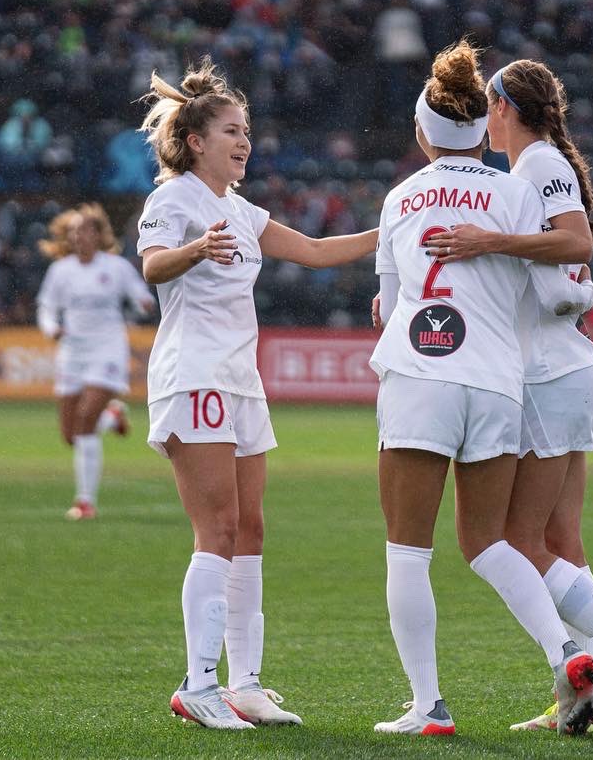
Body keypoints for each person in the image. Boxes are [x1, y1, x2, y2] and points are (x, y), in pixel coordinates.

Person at [424, 58, 593, 734]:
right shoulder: (538, 167)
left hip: (543, 376)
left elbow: (573, 239)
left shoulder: (535, 167)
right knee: (560, 538)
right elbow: (566, 266)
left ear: (503, 106)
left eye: (489, 104)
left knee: (514, 538)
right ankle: (582, 693)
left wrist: (486, 241)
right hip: (567, 368)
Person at [135, 57, 378, 731]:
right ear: (195, 142)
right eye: (232, 131)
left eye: (247, 131)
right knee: (215, 528)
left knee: (250, 529)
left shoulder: (240, 210)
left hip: (241, 380)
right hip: (195, 374)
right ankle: (197, 682)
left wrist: (399, 231)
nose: (245, 141)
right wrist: (193, 250)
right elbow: (153, 264)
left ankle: (244, 682)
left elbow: (320, 250)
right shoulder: (174, 200)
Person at [370, 42, 593, 737]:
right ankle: (565, 651)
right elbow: (560, 270)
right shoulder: (517, 191)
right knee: (489, 541)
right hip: (498, 381)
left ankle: (428, 705)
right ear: (480, 129)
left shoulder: (400, 197)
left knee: (408, 549)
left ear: (423, 133)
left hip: (422, 372)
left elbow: (385, 309)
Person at [36, 203, 155, 521]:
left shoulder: (115, 267)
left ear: (99, 235)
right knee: (70, 434)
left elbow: (139, 293)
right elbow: (46, 307)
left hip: (107, 349)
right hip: (72, 352)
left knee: (86, 419)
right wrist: (52, 327)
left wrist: (143, 302)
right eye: (74, 230)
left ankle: (85, 501)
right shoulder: (60, 271)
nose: (79, 235)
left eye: (86, 229)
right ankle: (112, 416)